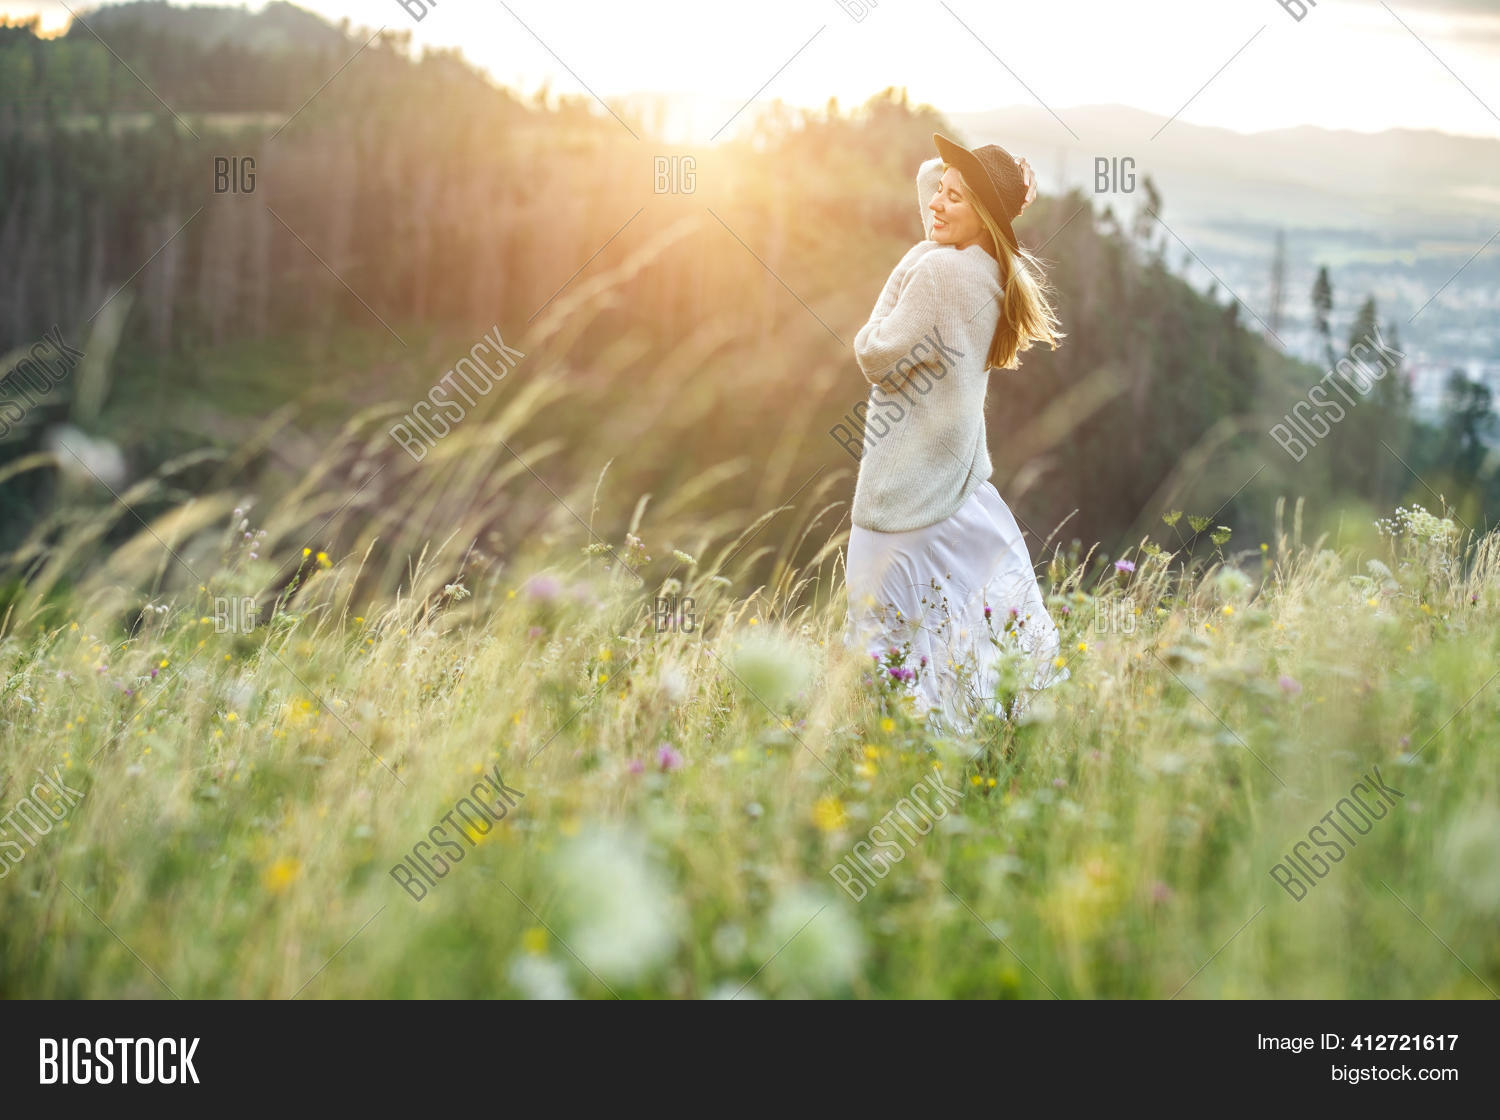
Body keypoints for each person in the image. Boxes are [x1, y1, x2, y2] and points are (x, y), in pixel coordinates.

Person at [844, 132, 1067, 733]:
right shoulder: (988, 269)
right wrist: (989, 183)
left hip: (904, 497)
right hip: (958, 488)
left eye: (955, 199)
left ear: (982, 218)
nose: (936, 204)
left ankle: (900, 756)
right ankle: (977, 735)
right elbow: (935, 185)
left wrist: (902, 274)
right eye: (938, 192)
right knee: (961, 628)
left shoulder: (940, 272)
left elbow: (873, 353)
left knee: (882, 647)